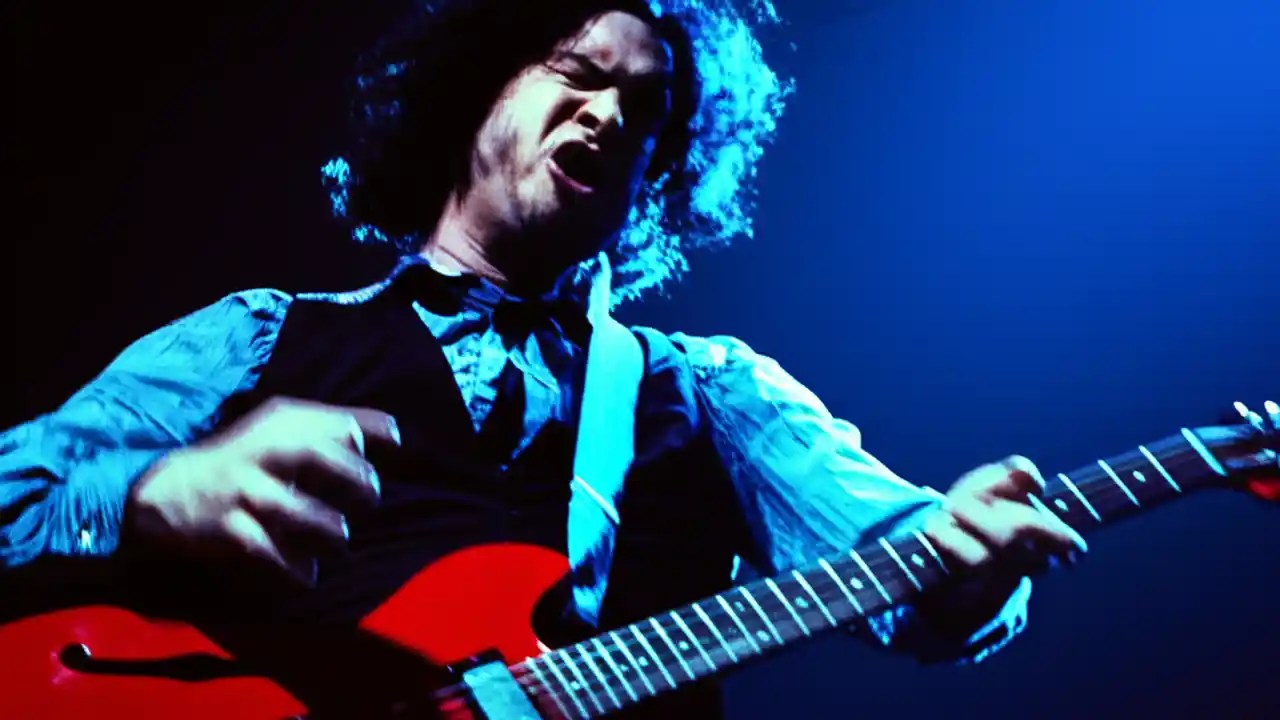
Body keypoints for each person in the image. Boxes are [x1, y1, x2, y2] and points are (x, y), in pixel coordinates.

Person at [0, 0, 1087, 716]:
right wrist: (140, 494)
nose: (611, 114)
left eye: (646, 108)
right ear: (476, 85)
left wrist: (964, 561)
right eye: (577, 70)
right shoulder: (258, 333)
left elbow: (905, 562)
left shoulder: (705, 389)